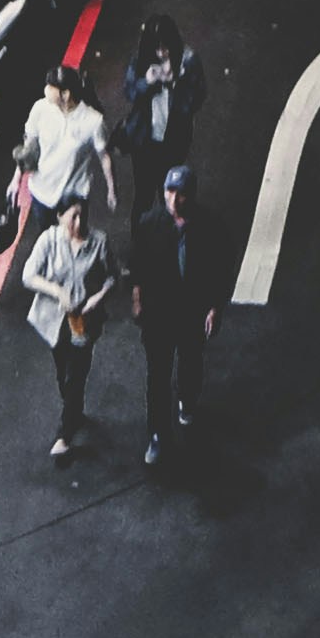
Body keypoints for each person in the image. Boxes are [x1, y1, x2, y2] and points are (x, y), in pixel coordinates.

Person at [131, 160, 233, 462]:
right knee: (157, 377)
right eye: (169, 192)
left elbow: (221, 270)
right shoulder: (149, 223)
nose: (174, 200)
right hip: (159, 314)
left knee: (191, 362)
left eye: (181, 193)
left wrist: (215, 307)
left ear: (192, 195)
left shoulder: (210, 227)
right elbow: (137, 265)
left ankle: (187, 400)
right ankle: (157, 434)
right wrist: (137, 299)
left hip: (192, 310)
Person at [24, 192, 118, 458]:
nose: (78, 223)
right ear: (59, 217)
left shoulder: (99, 242)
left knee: (76, 374)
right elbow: (28, 275)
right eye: (72, 217)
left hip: (83, 320)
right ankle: (74, 410)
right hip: (55, 320)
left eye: (82, 216)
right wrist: (56, 290)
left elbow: (112, 277)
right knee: (62, 373)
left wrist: (98, 298)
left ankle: (65, 434)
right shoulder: (49, 241)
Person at [0, 60, 111, 256]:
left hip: (73, 196)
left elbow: (104, 156)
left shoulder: (93, 121)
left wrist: (112, 189)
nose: (46, 90)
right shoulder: (40, 109)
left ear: (65, 94)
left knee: (73, 241)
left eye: (51, 87)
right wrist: (16, 179)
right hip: (42, 192)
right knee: (49, 240)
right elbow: (29, 148)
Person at [114, 19, 208, 216]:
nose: (161, 54)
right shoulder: (140, 61)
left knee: (170, 193)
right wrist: (147, 82)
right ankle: (141, 229)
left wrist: (175, 83)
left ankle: (167, 225)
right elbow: (130, 92)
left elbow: (196, 98)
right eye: (156, 49)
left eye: (166, 48)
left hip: (174, 140)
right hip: (145, 141)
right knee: (143, 193)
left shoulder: (188, 61)